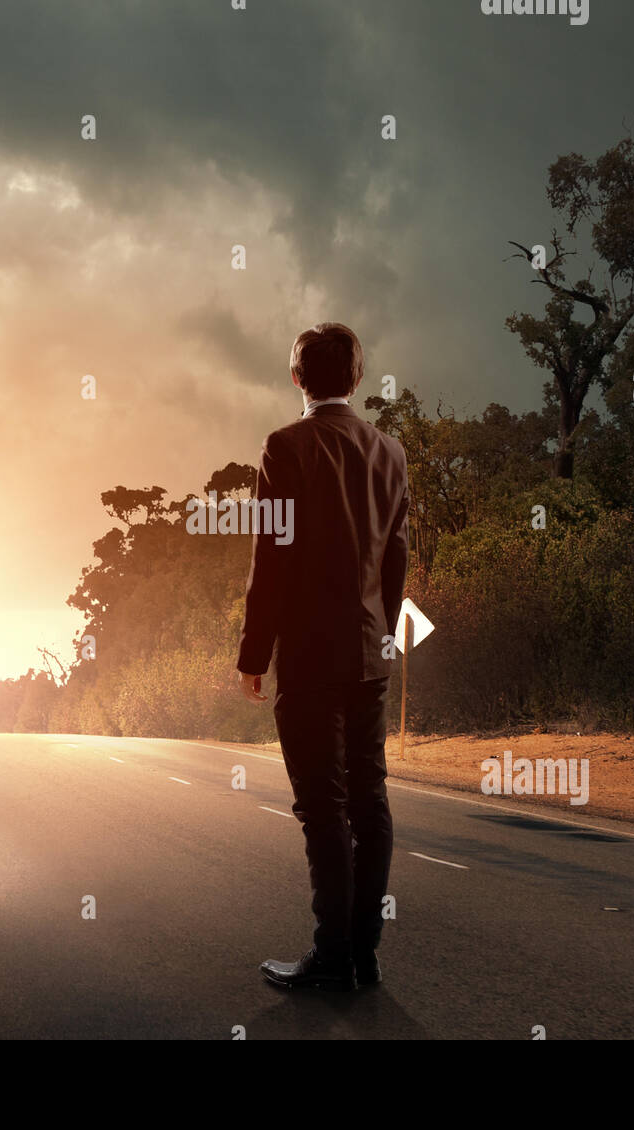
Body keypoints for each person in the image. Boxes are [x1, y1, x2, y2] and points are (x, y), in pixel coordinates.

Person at [236, 322, 409, 991]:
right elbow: (395, 559)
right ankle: (364, 955)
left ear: (297, 377)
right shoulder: (390, 451)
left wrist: (255, 650)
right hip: (371, 658)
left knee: (323, 808)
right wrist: (383, 635)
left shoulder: (285, 446)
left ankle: (331, 957)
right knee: (370, 803)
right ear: (357, 379)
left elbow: (271, 558)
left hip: (309, 661)